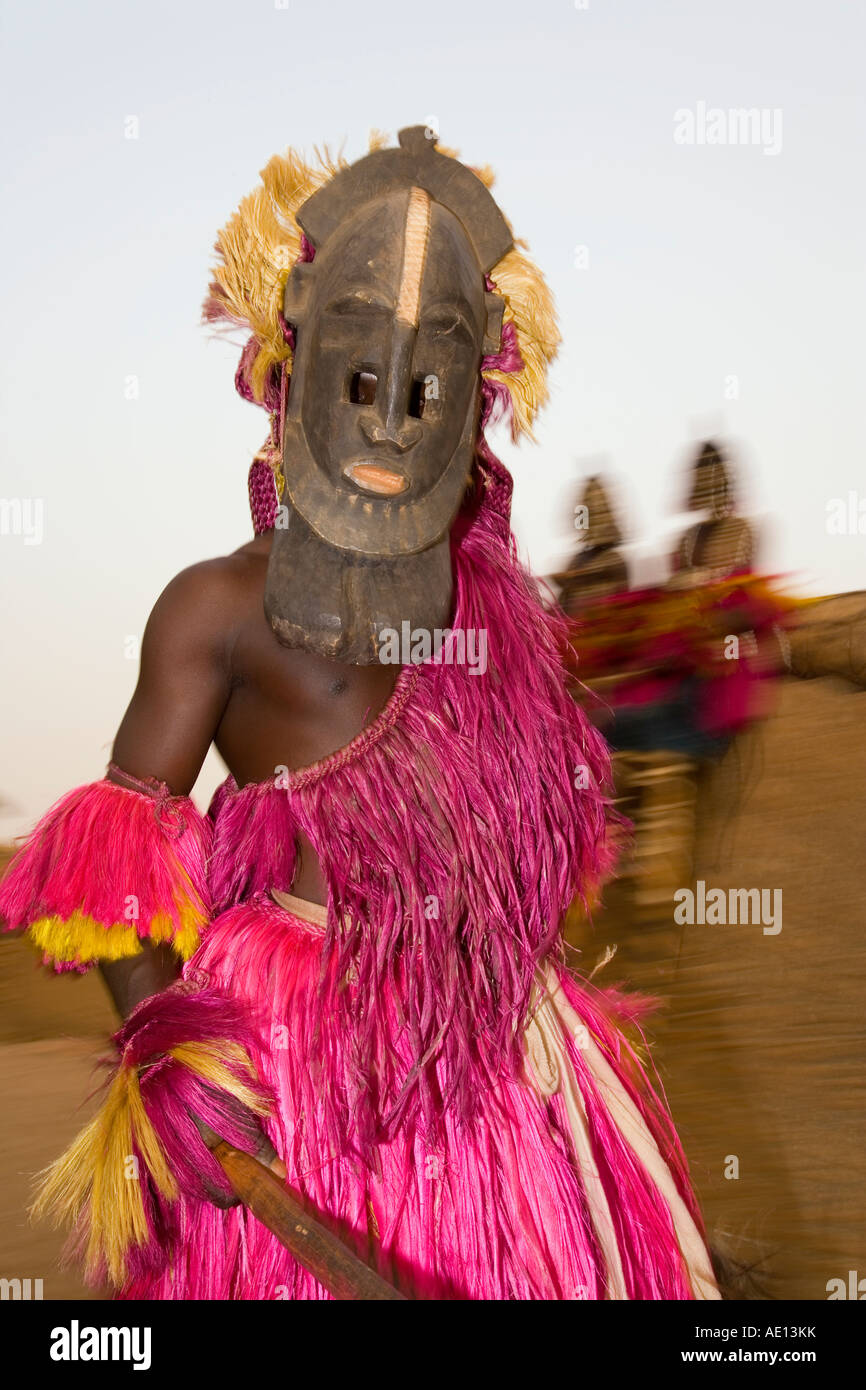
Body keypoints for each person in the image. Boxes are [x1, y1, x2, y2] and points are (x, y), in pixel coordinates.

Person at [0, 128, 718, 1301]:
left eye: (426, 386)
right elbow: (110, 868)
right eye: (357, 378)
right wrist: (164, 1049)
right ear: (285, 384)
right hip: (295, 1060)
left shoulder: (493, 605)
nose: (389, 419)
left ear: (473, 408)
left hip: (484, 1049)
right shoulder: (217, 608)